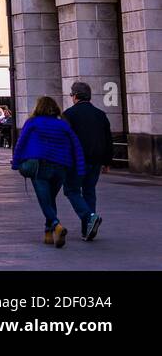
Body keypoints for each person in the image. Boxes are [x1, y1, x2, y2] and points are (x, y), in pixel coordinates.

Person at [12, 96, 100, 246]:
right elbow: (76, 146)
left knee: (44, 200)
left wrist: (16, 162)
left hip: (40, 164)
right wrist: (79, 168)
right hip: (61, 167)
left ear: (38, 108)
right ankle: (48, 233)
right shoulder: (63, 125)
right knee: (50, 198)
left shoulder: (32, 122)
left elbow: (21, 143)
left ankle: (56, 225)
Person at [63, 81, 112, 240]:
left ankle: (89, 217)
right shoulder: (100, 114)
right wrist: (107, 161)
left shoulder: (69, 114)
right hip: (96, 159)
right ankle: (87, 230)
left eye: (71, 95)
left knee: (72, 190)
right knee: (89, 191)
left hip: (77, 161)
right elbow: (107, 139)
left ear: (75, 96)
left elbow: (65, 139)